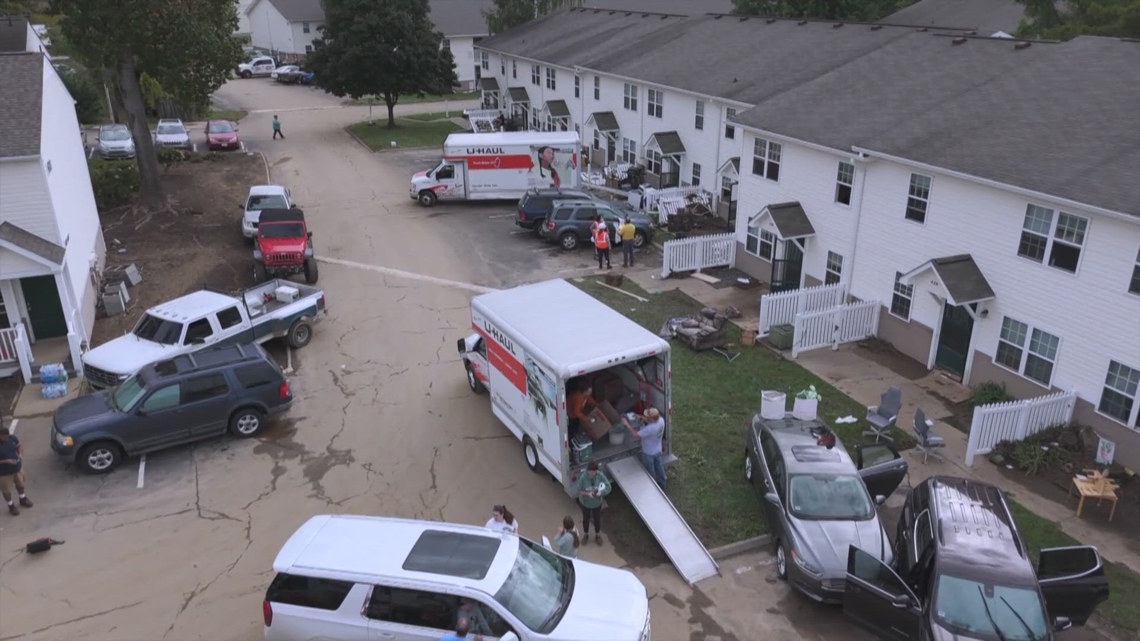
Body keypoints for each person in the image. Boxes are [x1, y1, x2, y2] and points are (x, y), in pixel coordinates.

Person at [626, 407, 667, 490]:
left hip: (649, 453)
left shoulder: (650, 429)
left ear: (651, 419)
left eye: (647, 416)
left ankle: (653, 487)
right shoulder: (661, 421)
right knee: (659, 467)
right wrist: (640, 417)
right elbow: (651, 420)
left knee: (650, 471)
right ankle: (662, 483)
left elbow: (636, 435)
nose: (646, 417)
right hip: (657, 450)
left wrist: (627, 425)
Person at [575, 461, 611, 545]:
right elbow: (578, 490)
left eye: (595, 472)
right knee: (586, 519)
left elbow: (609, 487)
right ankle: (586, 534)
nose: (593, 473)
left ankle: (598, 535)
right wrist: (588, 494)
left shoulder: (600, 475)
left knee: (597, 519)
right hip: (585, 503)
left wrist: (600, 493)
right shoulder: (583, 478)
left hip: (597, 504)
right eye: (591, 471)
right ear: (588, 470)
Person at [0, 427, 32, 516]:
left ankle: (23, 499)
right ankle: (11, 506)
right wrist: (6, 461)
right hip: (4, 473)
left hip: (17, 468)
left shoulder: (12, 438)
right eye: (5, 437)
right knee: (6, 491)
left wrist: (20, 454)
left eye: (8, 436)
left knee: (20, 485)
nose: (7, 438)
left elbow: (19, 445)